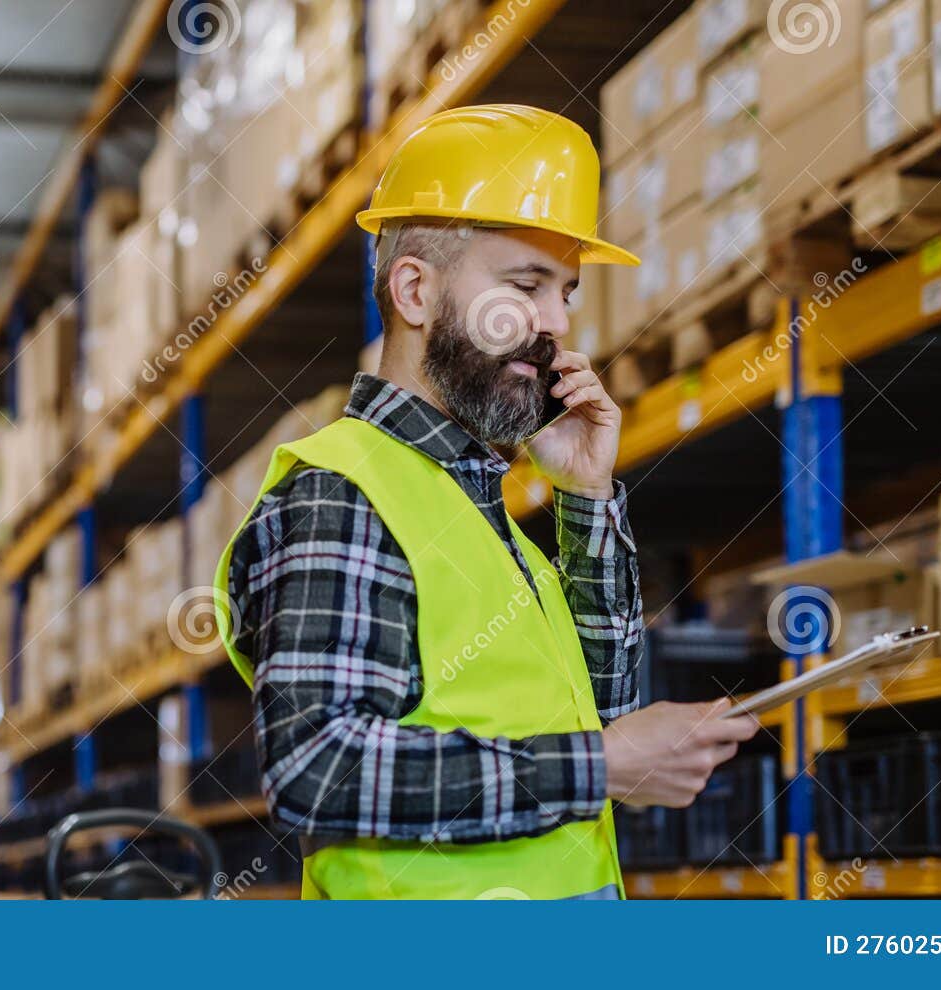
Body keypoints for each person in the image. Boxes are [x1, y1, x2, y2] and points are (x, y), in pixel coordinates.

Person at [213, 105, 759, 899]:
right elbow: (317, 769)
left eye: (567, 293)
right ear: (415, 291)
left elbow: (601, 722)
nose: (558, 327)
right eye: (525, 286)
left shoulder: (484, 518)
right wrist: (601, 765)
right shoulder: (341, 495)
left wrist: (586, 495)